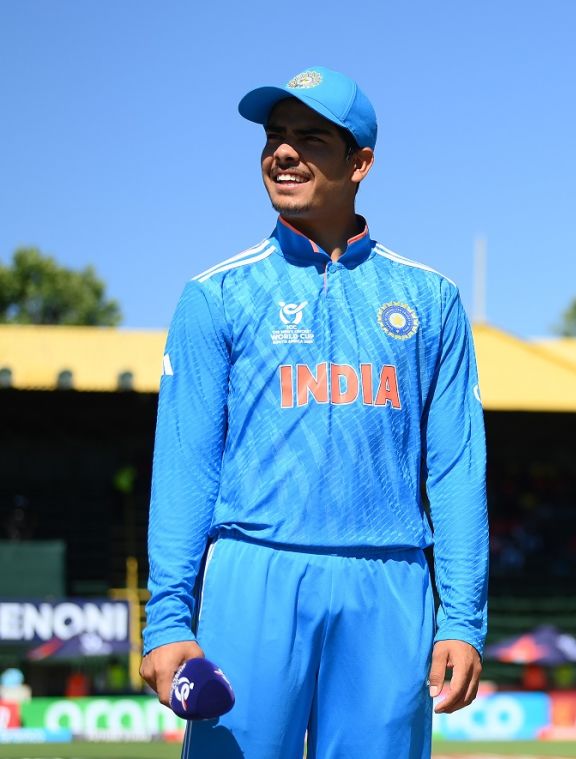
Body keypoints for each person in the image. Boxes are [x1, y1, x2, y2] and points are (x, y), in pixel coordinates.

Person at [139, 66, 489, 758]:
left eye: (310, 138)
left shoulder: (432, 299)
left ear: (360, 162)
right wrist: (166, 620)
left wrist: (464, 619)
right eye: (274, 137)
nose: (283, 152)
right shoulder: (217, 294)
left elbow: (454, 470)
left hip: (389, 584)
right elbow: (185, 466)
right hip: (252, 574)